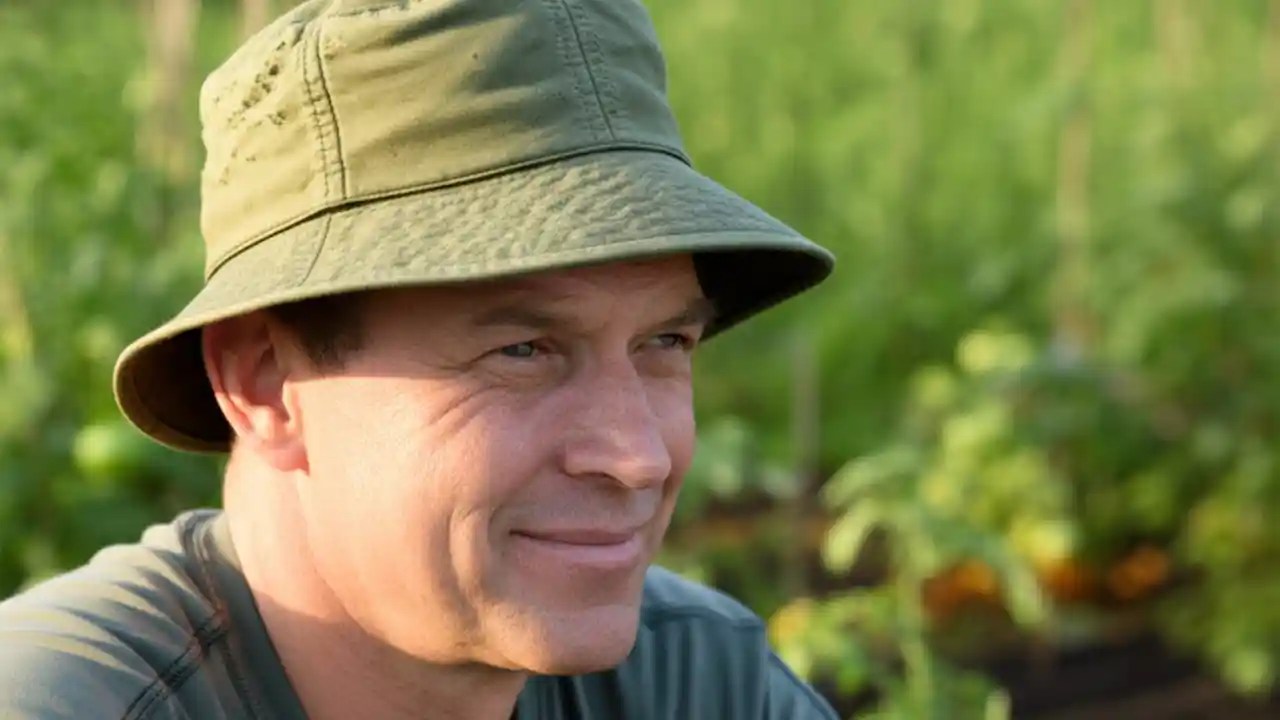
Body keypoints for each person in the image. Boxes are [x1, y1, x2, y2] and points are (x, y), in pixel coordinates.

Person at [0, 0, 837, 717]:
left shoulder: (698, 684)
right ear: (266, 384)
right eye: (523, 350)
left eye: (664, 342)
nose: (637, 455)